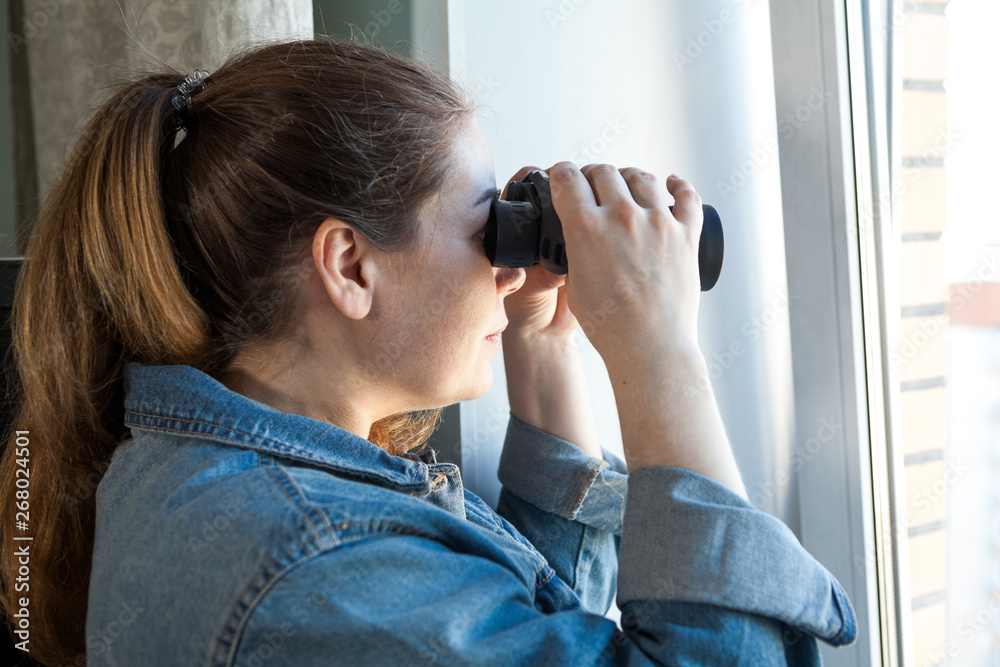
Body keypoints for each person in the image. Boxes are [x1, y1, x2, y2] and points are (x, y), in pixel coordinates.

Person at [0, 37, 855, 666]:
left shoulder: (226, 466)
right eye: (489, 228)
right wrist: (659, 351)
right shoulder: (316, 565)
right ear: (350, 266)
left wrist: (547, 350)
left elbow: (517, 632)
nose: (509, 270)